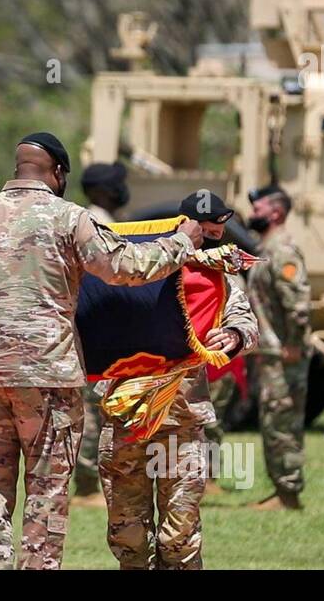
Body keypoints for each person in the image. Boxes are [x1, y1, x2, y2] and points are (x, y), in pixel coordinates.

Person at [0, 132, 201, 570]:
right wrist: (182, 241)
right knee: (45, 495)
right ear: (58, 173)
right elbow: (124, 268)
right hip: (49, 376)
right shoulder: (70, 218)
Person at [96, 191, 258, 569]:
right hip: (127, 420)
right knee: (129, 537)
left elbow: (247, 324)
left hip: (181, 423)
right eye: (200, 227)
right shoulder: (135, 266)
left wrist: (234, 335)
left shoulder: (215, 275)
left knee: (179, 539)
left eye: (212, 228)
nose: (208, 234)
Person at [244, 184, 310, 511]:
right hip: (270, 353)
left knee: (283, 423)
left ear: (276, 213)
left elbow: (298, 304)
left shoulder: (283, 251)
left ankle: (288, 495)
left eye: (258, 208)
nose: (252, 213)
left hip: (284, 354)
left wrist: (294, 345)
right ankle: (281, 491)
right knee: (272, 421)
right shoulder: (266, 248)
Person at [74, 164, 131, 506]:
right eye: (118, 186)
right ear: (102, 191)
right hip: (97, 331)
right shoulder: (98, 226)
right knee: (91, 410)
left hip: (90, 330)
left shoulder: (87, 220)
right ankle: (87, 486)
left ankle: (90, 483)